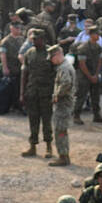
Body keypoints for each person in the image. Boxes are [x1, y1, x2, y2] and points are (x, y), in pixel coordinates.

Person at [20, 28, 55, 158]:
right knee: (33, 120)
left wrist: (55, 93)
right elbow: (24, 73)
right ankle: (33, 146)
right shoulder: (29, 53)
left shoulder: (51, 52)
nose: (34, 41)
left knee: (46, 120)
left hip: (46, 93)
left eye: (37, 39)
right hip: (32, 91)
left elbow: (56, 73)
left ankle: (48, 147)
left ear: (43, 39)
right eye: (33, 38)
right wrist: (22, 93)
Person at [49, 42, 75, 167]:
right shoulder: (65, 66)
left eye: (52, 57)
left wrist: (56, 96)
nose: (51, 61)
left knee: (60, 130)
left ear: (58, 54)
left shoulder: (64, 68)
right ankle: (64, 155)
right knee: (61, 130)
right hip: (65, 104)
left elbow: (66, 83)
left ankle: (63, 156)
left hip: (63, 104)